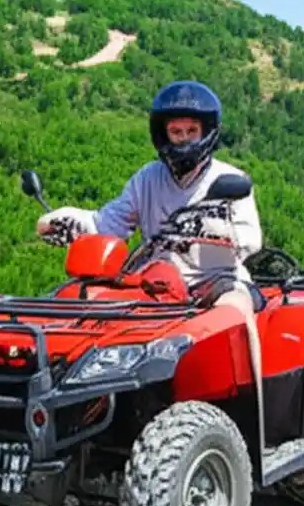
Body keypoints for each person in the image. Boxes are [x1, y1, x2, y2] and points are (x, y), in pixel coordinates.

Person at [35, 80, 266, 387]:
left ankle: (252, 402)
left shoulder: (230, 179)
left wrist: (214, 228)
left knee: (235, 312)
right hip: (156, 282)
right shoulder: (147, 178)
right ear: (163, 133)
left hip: (215, 279)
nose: (184, 139)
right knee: (78, 300)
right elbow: (109, 223)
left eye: (191, 131)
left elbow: (251, 241)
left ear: (206, 132)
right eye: (176, 132)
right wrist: (70, 221)